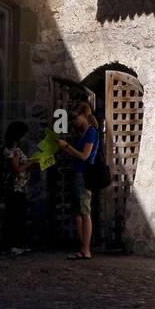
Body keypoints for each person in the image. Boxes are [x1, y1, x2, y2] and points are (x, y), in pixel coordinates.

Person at [58, 103, 100, 260]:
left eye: (75, 117)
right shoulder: (84, 133)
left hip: (84, 175)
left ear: (84, 115)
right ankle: (83, 248)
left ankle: (86, 249)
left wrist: (67, 146)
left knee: (84, 211)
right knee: (78, 212)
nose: (74, 120)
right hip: (78, 174)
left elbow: (84, 156)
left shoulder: (91, 132)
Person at [2, 120, 36, 257]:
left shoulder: (14, 149)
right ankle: (13, 245)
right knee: (15, 217)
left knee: (18, 216)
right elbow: (16, 169)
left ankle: (17, 244)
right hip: (16, 188)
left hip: (19, 188)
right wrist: (31, 163)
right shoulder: (12, 150)